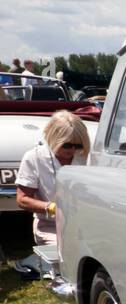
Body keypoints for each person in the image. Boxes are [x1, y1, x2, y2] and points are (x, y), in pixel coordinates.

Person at [13, 110, 90, 278]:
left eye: (78, 145)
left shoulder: (87, 157)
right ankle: (35, 262)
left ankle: (44, 262)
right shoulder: (34, 158)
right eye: (67, 145)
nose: (73, 150)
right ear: (53, 138)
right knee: (70, 260)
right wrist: (52, 207)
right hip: (51, 226)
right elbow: (22, 199)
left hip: (86, 224)